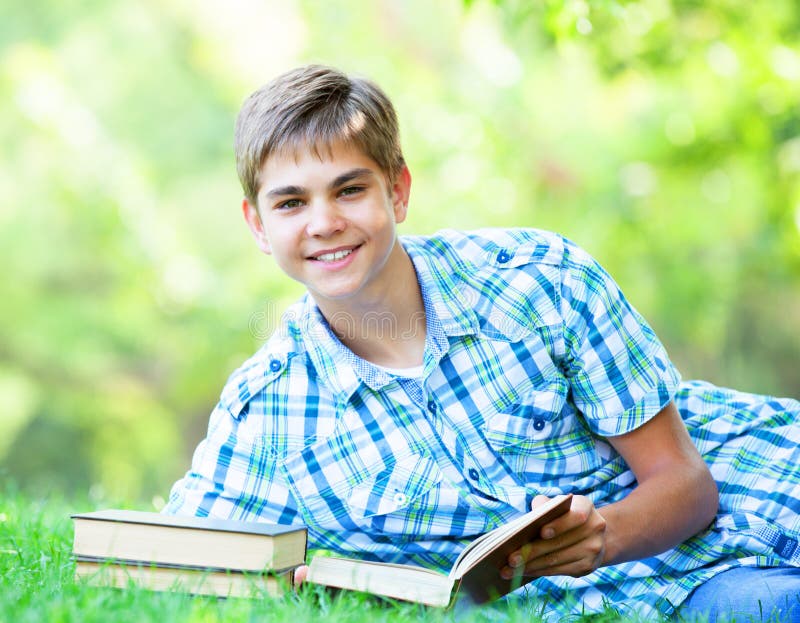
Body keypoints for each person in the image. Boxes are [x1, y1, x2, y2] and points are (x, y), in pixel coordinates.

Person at [165, 65, 800, 621]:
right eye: (291, 202)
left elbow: (686, 482)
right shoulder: (268, 413)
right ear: (257, 224)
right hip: (690, 590)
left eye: (350, 189)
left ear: (399, 190)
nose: (325, 222)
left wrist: (600, 535)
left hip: (762, 487)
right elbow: (174, 559)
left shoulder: (539, 278)